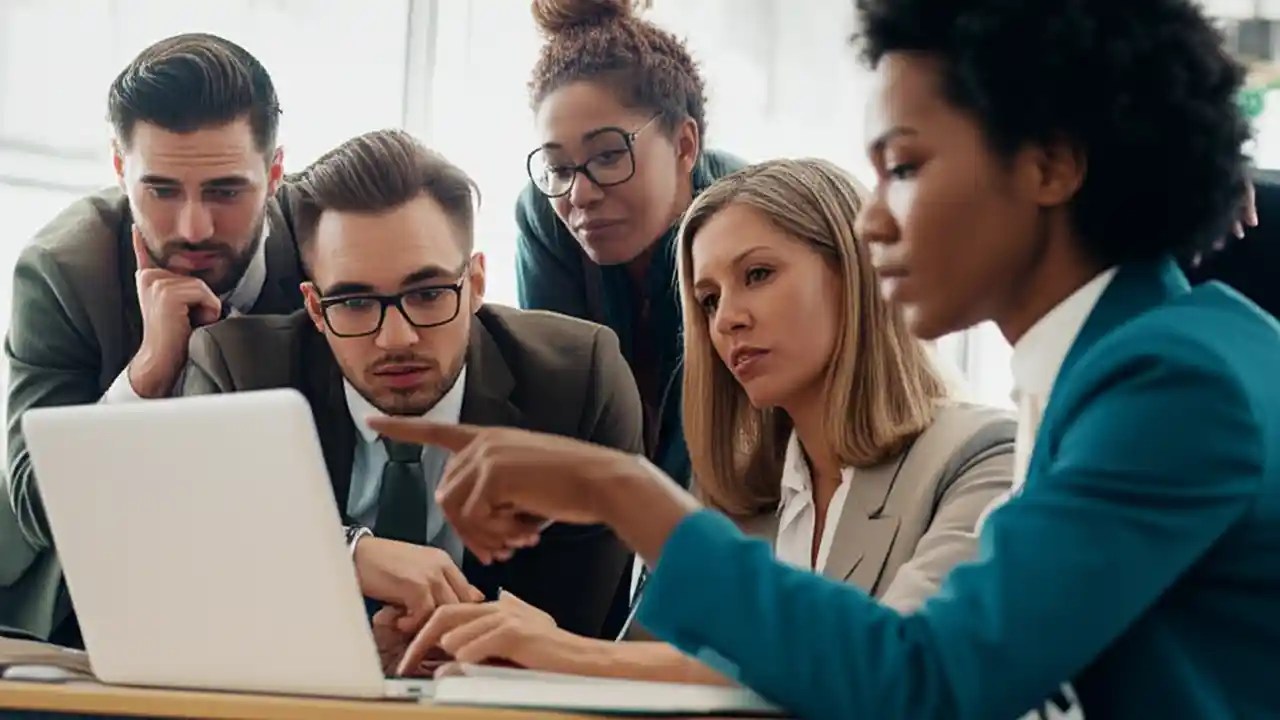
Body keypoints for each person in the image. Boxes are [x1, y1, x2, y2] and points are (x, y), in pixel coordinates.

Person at [371, 0, 1280, 717]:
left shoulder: (1171, 382)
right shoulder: (1129, 358)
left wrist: (625, 491)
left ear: (1050, 165)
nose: (874, 220)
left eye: (907, 168)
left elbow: (930, 685)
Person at [387, 159, 1014, 682]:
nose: (728, 319)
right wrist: (505, 653)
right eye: (709, 299)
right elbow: (636, 670)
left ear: (853, 274)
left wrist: (565, 652)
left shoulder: (982, 454)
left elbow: (897, 671)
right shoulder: (730, 498)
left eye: (758, 275)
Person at [180, 129, 641, 643]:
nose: (395, 338)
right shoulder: (239, 374)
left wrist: (449, 650)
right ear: (314, 307)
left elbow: (577, 627)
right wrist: (344, 553)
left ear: (476, 284)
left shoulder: (578, 383)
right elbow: (188, 549)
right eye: (354, 303)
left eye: (427, 294)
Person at [2, 33, 306, 646]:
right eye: (160, 190)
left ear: (274, 173)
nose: (194, 227)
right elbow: (36, 503)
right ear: (120, 168)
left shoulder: (329, 249)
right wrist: (147, 374)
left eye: (226, 191)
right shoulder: (62, 271)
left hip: (281, 589)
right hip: (85, 601)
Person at [515, 0, 747, 486]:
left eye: (607, 155)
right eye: (558, 167)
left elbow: (713, 430)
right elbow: (562, 401)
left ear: (685, 145)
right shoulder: (544, 212)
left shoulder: (745, 214)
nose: (579, 193)